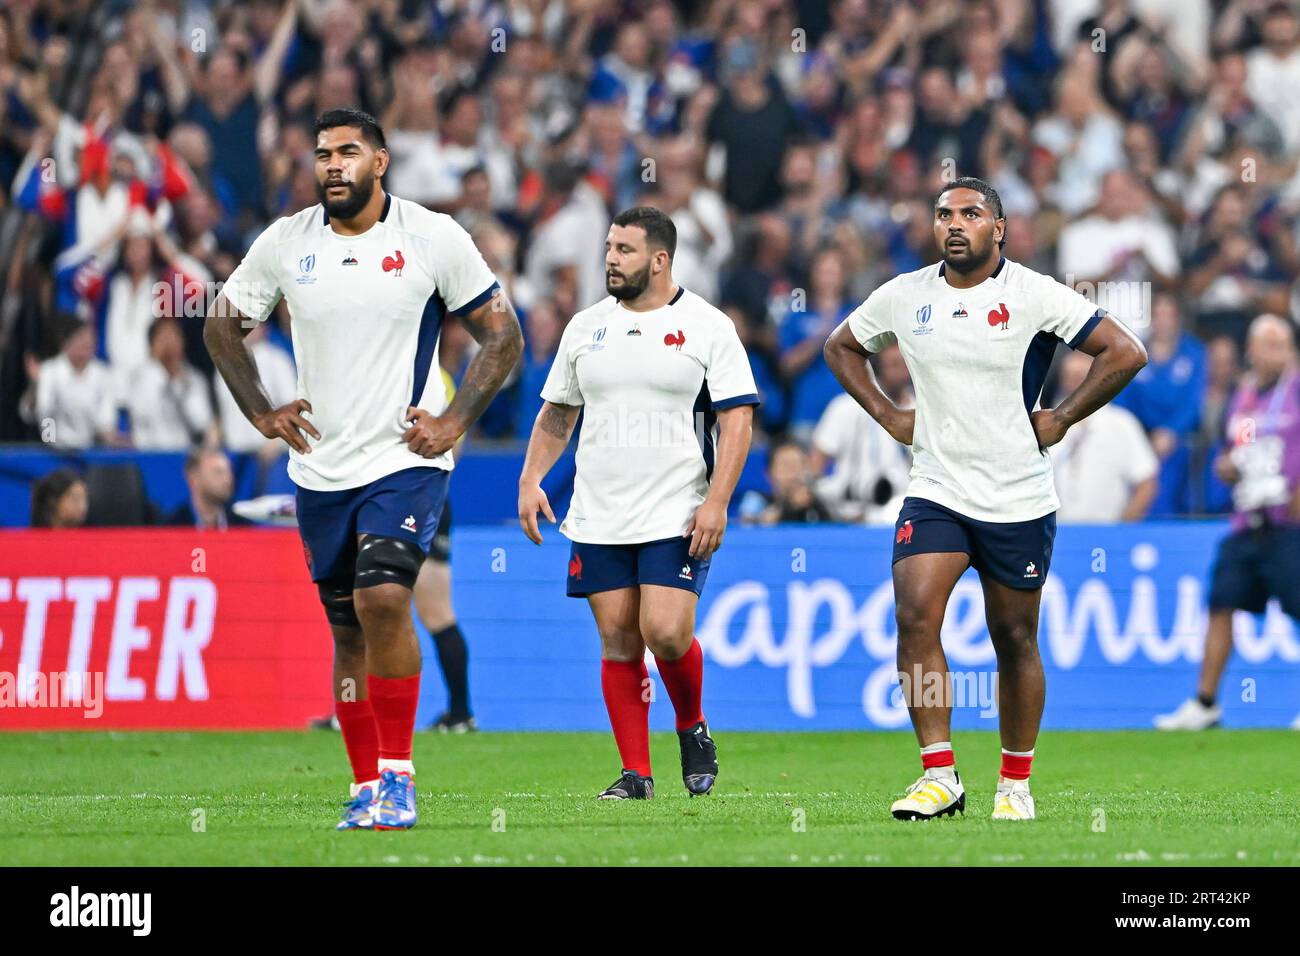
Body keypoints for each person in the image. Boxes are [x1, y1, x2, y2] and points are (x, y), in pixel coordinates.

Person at [204, 108, 521, 832]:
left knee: (383, 598)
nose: (332, 165)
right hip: (320, 468)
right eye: (322, 154)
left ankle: (400, 777)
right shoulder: (286, 244)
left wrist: (453, 423)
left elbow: (503, 337)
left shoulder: (432, 236)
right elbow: (221, 324)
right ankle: (363, 787)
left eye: (348, 151)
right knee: (346, 629)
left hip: (405, 459)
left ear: (379, 162)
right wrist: (260, 411)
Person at [824, 177, 1147, 821]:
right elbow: (842, 347)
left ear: (997, 228)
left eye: (970, 214)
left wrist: (1062, 417)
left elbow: (1125, 351)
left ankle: (1014, 785)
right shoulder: (905, 295)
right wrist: (889, 417)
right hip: (937, 489)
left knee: (1014, 637)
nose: (954, 223)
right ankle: (938, 774)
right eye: (944, 213)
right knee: (915, 614)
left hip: (1017, 495)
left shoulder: (1033, 293)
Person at [518, 206, 757, 800]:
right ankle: (636, 774)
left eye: (623, 250)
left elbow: (738, 418)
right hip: (600, 510)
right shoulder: (585, 327)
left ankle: (691, 724)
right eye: (607, 247)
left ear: (659, 260)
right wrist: (531, 479)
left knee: (666, 632)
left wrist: (719, 500)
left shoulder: (707, 326)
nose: (609, 259)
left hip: (678, 506)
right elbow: (558, 412)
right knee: (620, 640)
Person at [1156, 314, 1300, 730]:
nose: (1278, 353)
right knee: (1221, 602)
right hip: (1248, 520)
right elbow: (1238, 449)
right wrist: (1227, 466)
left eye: (1284, 344)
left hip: (1289, 522)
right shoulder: (1244, 398)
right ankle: (1205, 703)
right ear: (1251, 350)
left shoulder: (1294, 392)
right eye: (1269, 344)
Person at [810, 343, 914, 524]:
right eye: (895, 365)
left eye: (906, 365)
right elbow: (816, 463)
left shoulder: (919, 409)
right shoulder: (844, 407)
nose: (903, 373)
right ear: (878, 369)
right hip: (847, 508)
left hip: (899, 508)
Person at [1050, 350, 1159, 523]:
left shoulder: (1121, 423)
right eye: (1072, 359)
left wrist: (1121, 531)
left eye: (1085, 359)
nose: (1076, 367)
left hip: (1107, 537)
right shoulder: (1044, 421)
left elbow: (1146, 483)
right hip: (1055, 537)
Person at [738, 440, 833, 525]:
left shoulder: (818, 502)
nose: (793, 474)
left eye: (798, 465)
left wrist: (814, 503)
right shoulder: (755, 500)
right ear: (769, 473)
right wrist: (789, 508)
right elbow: (746, 526)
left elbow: (833, 528)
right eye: (785, 466)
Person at [167, 446, 250, 530]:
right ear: (194, 477)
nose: (228, 479)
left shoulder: (241, 525)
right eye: (218, 472)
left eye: (229, 472)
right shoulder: (174, 526)